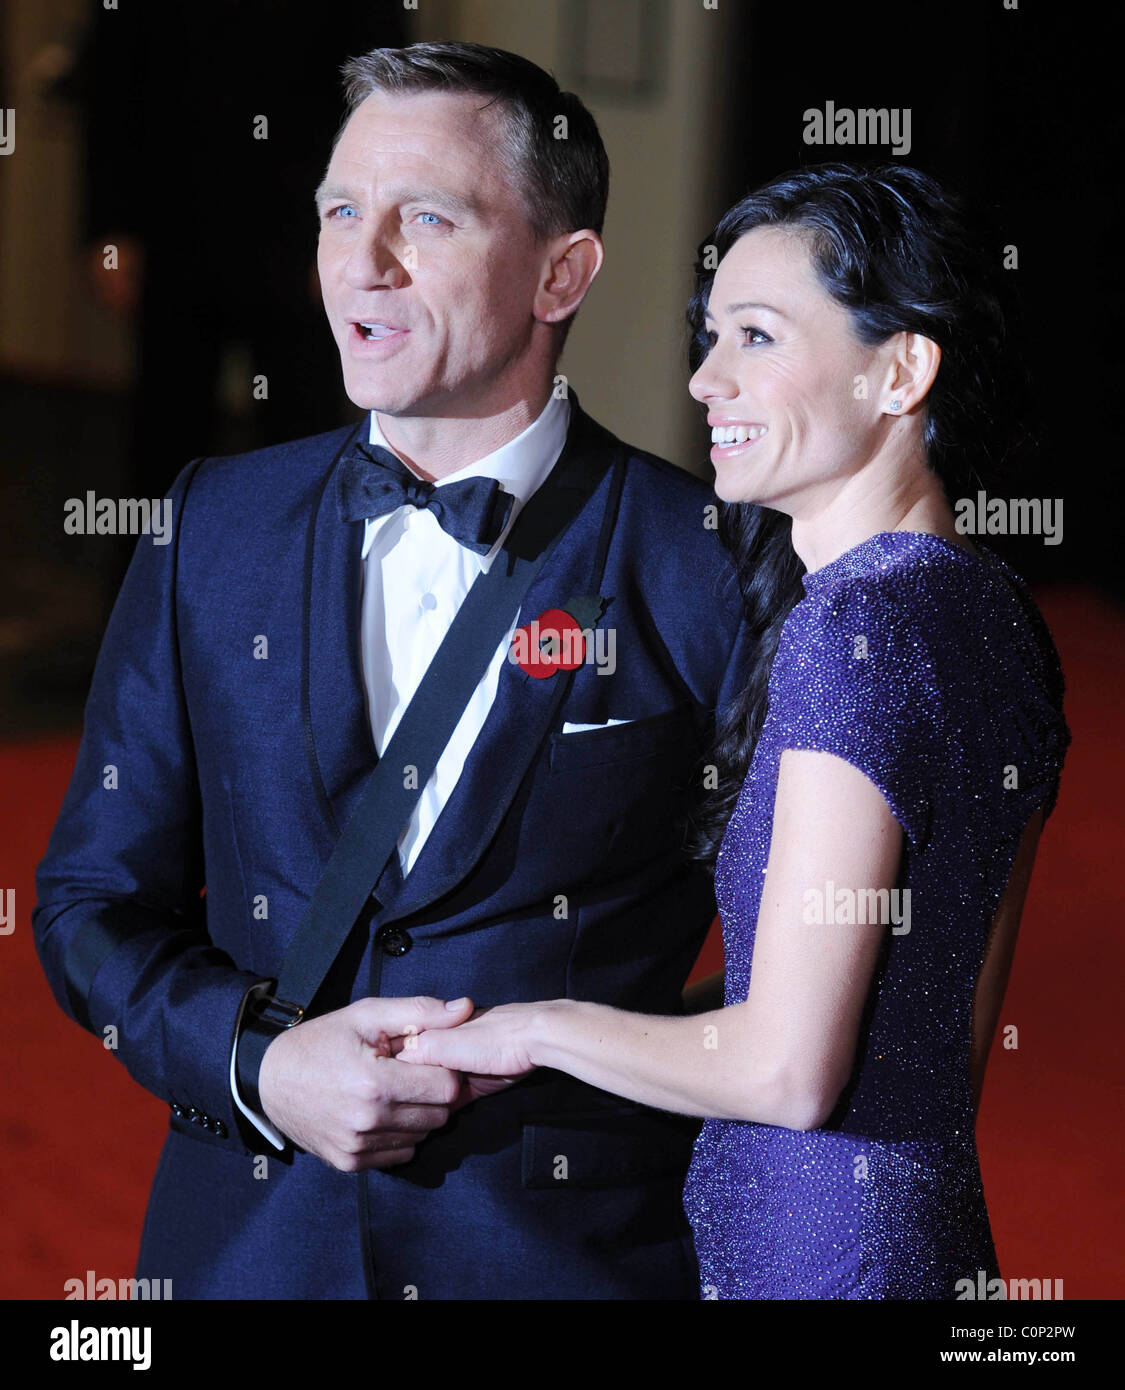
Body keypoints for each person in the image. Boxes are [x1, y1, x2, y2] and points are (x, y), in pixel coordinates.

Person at [32, 43, 754, 1300]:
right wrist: (258, 1064)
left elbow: (800, 992)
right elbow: (86, 906)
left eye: (427, 218)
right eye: (339, 213)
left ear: (560, 272)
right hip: (242, 1255)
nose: (362, 265)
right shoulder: (214, 524)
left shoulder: (709, 567)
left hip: (568, 1265)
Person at [395, 164, 1071, 1299]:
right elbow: (940, 1044)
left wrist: (537, 1029)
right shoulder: (996, 613)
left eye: (756, 337)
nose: (708, 380)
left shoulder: (853, 627)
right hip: (923, 1243)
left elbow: (790, 1071)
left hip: (809, 1258)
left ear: (901, 369)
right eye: (712, 339)